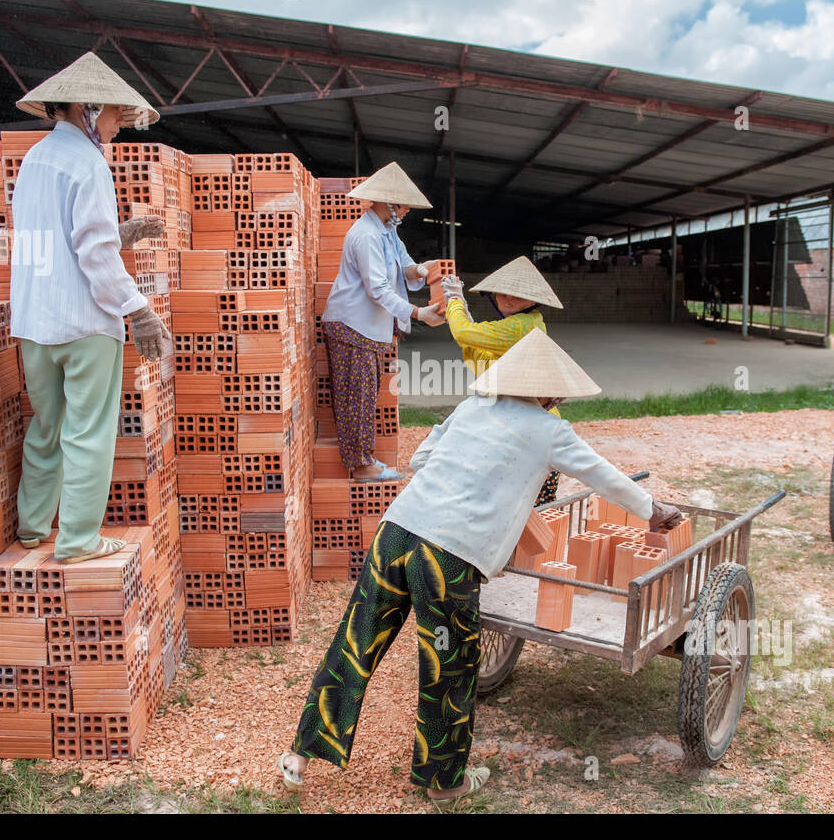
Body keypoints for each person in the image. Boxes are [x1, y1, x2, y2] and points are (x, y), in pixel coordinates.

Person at [279, 327, 683, 807]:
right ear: (549, 391)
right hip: (445, 555)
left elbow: (422, 457)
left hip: (397, 531)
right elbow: (603, 476)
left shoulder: (474, 406)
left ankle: (300, 754)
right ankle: (444, 782)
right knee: (449, 664)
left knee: (357, 638)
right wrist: (652, 509)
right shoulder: (551, 429)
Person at [9, 52, 172, 565]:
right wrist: (138, 309)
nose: (119, 129)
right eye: (116, 118)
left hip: (35, 323)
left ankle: (33, 527)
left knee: (47, 426)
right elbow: (93, 253)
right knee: (87, 434)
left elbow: (52, 241)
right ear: (90, 107)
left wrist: (121, 233)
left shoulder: (35, 160)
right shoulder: (89, 164)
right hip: (84, 325)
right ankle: (79, 540)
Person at [322, 162, 445, 482]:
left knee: (364, 395)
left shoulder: (388, 234)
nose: (406, 212)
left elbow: (404, 268)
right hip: (352, 325)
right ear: (387, 202)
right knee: (356, 397)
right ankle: (362, 466)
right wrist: (418, 314)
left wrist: (422, 270)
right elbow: (376, 288)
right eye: (403, 205)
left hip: (367, 328)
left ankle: (365, 458)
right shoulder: (365, 236)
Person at [441, 255, 565, 504]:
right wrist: (462, 310)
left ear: (534, 300)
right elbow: (479, 352)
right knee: (521, 508)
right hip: (528, 426)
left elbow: (465, 333)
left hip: (532, 430)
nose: (507, 299)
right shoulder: (523, 324)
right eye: (502, 293)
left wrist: (454, 302)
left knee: (522, 509)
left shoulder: (520, 327)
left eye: (517, 295)